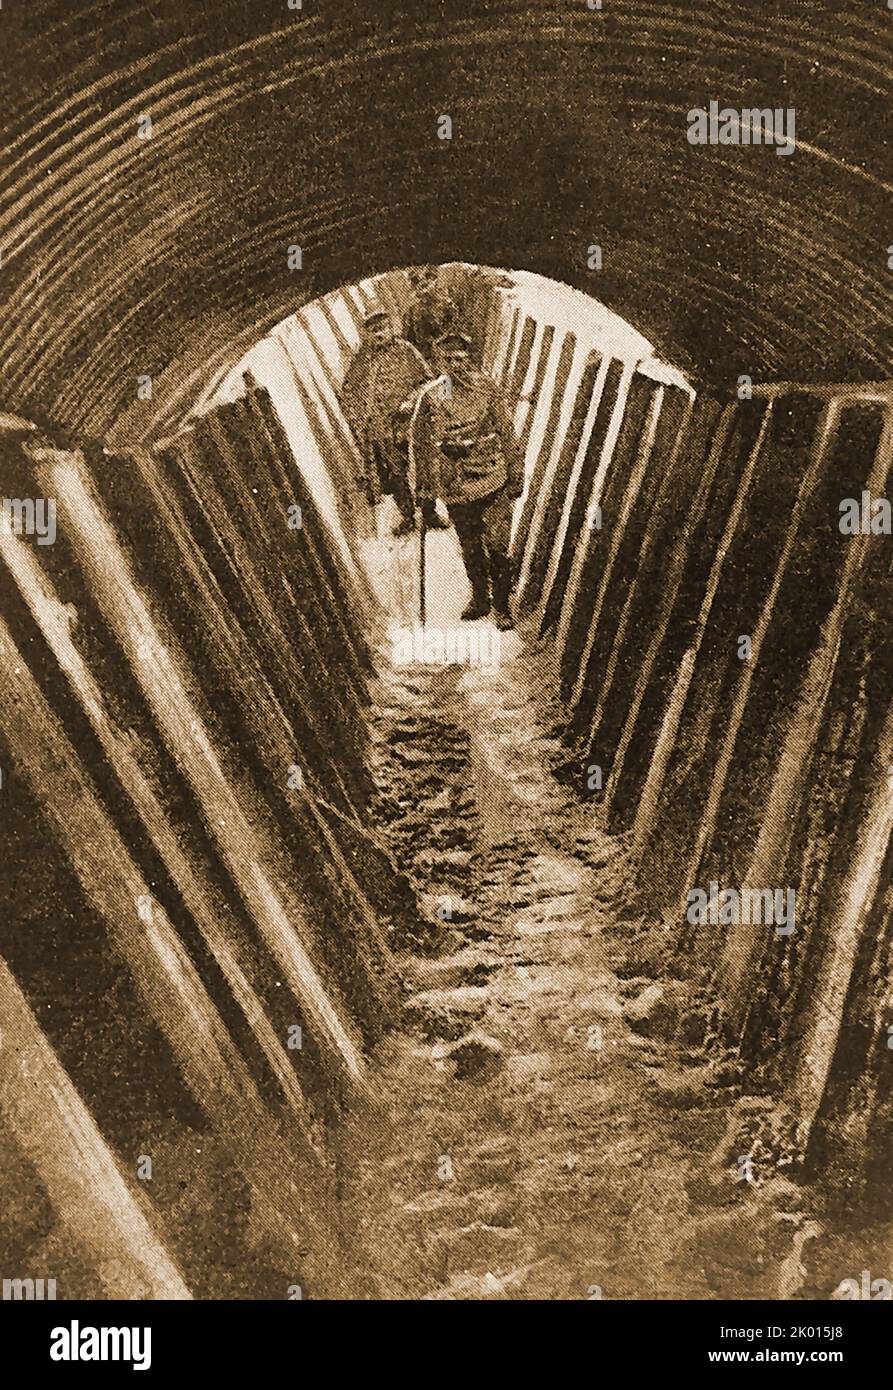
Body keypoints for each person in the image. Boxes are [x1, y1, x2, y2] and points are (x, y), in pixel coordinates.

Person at [409, 332, 524, 628]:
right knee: (470, 544)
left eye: (459, 359)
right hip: (455, 483)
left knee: (498, 546)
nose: (454, 365)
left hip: (492, 476)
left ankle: (502, 606)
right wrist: (424, 490)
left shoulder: (486, 389)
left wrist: (515, 472)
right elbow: (420, 445)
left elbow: (507, 431)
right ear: (438, 363)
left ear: (468, 359)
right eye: (447, 360)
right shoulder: (432, 396)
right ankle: (480, 598)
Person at [338, 309, 444, 536]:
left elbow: (429, 383)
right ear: (367, 332)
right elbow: (348, 390)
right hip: (382, 428)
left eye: (382, 328)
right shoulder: (362, 358)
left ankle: (429, 513)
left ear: (390, 327)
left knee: (422, 467)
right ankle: (407, 517)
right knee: (396, 473)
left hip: (410, 424)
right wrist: (361, 416)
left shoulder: (406, 350)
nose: (379, 334)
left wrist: (411, 400)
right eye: (373, 330)